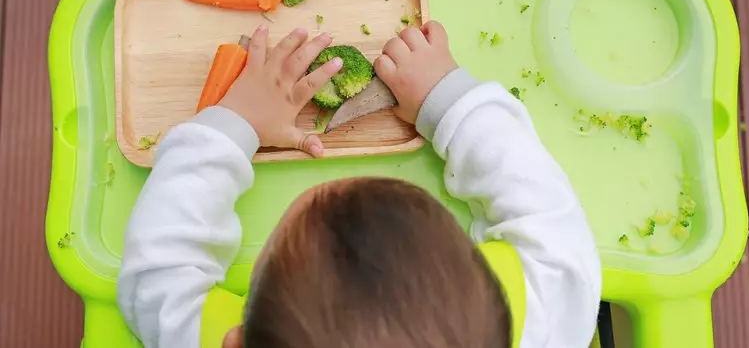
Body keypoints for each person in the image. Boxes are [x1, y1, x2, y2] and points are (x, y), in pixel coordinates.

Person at [118, 22, 601, 348]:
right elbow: (551, 220)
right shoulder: (541, 320)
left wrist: (234, 123)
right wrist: (445, 98)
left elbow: (159, 272)